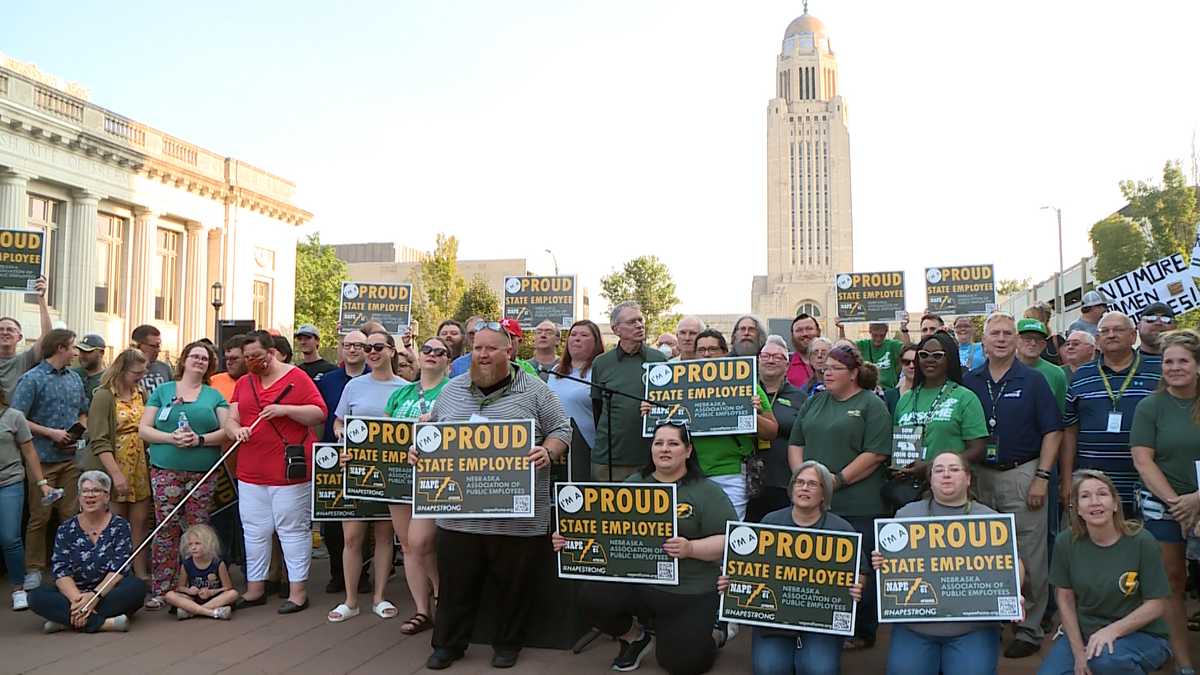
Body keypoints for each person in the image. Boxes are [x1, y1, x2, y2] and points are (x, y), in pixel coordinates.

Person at [420, 322, 571, 670]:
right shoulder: (452, 389)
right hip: (460, 514)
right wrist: (420, 450)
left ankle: (508, 644)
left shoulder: (536, 390)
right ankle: (447, 645)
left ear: (509, 351)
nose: (483, 355)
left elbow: (562, 429)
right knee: (456, 586)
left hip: (516, 515)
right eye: (477, 348)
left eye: (491, 348)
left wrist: (548, 451)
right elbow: (434, 434)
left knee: (513, 587)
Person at [563, 421, 734, 674]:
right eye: (658, 443)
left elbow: (728, 540)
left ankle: (716, 632)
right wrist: (569, 540)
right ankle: (636, 638)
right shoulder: (633, 484)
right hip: (641, 584)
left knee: (685, 665)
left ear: (688, 450)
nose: (665, 449)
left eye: (673, 443)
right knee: (593, 595)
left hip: (689, 590)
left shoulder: (707, 491)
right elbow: (603, 532)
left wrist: (691, 548)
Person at [962, 311, 1062, 658]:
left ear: (1017, 340)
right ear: (984, 342)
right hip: (980, 476)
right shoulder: (970, 381)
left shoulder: (1033, 381)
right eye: (995, 334)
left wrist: (1042, 478)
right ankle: (988, 621)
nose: (1002, 339)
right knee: (984, 554)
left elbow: (1053, 431)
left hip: (1023, 473)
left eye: (1008, 333)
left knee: (1030, 556)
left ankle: (1030, 628)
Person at [787, 344, 890, 650]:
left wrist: (836, 481)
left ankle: (861, 630)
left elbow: (876, 453)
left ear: (854, 373)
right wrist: (802, 479)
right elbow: (796, 442)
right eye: (825, 368)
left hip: (858, 503)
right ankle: (819, 622)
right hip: (814, 507)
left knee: (859, 568)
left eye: (834, 368)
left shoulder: (871, 404)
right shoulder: (814, 401)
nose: (826, 373)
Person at [875, 451, 1009, 675]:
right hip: (916, 626)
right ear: (930, 480)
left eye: (954, 469)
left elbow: (1013, 564)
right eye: (939, 470)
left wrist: (1014, 587)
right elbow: (890, 566)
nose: (946, 474)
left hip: (973, 627)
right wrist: (881, 562)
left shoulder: (990, 519)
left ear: (968, 478)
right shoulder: (905, 516)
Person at [223, 331, 327, 613]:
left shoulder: (297, 377)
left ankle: (297, 592)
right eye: (247, 357)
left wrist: (284, 409)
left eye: (256, 356)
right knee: (254, 530)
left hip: (287, 469)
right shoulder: (244, 382)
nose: (251, 362)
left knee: (292, 529)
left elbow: (319, 413)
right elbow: (232, 417)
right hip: (251, 469)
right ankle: (255, 588)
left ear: (271, 352)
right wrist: (236, 430)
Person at [730, 460, 864, 674]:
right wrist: (731, 583)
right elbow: (748, 570)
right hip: (774, 620)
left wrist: (857, 586)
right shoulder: (770, 522)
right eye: (799, 482)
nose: (804, 488)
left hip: (821, 622)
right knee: (769, 669)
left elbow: (861, 572)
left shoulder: (841, 529)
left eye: (812, 484)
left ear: (824, 494)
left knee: (819, 670)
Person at [1038, 470, 1171, 675]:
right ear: (1077, 509)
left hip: (1142, 633)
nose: (1095, 502)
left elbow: (1157, 604)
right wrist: (1078, 653)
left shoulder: (1142, 541)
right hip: (1086, 632)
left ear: (1115, 504)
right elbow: (1064, 599)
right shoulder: (1066, 542)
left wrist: (1112, 631)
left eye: (1102, 494)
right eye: (1085, 496)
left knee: (1104, 661)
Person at [1129, 329, 1200, 674]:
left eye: (1182, 361)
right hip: (1164, 504)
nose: (1174, 368)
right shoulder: (1150, 406)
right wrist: (1179, 505)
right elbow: (1143, 460)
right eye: (1168, 362)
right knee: (1172, 580)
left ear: (1197, 365)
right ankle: (1183, 661)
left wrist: (1197, 500)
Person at [138, 341, 230, 606]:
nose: (199, 361)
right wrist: (171, 438)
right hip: (165, 470)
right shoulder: (163, 391)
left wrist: (199, 439)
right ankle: (162, 588)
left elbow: (226, 431)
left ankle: (195, 586)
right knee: (165, 527)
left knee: (197, 529)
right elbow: (144, 429)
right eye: (195, 356)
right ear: (184, 360)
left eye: (205, 358)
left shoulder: (214, 395)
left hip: (203, 472)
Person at [650, 329, 776, 520]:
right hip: (686, 473)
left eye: (712, 349)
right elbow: (662, 425)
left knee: (726, 528)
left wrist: (750, 412)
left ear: (725, 353)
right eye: (701, 350)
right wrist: (651, 410)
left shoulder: (746, 382)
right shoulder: (677, 384)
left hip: (730, 473)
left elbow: (771, 431)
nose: (706, 354)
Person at [327, 329, 407, 623]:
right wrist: (341, 438)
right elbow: (338, 422)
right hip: (356, 470)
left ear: (391, 351)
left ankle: (379, 596)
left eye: (377, 347)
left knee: (385, 536)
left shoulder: (405, 388)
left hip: (389, 471)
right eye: (367, 348)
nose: (371, 352)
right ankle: (350, 601)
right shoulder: (354, 386)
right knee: (352, 537)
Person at [381, 336, 451, 634]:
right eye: (427, 349)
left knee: (422, 541)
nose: (432, 354)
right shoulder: (401, 392)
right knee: (409, 545)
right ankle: (423, 610)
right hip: (399, 476)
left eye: (440, 352)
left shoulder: (454, 390)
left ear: (448, 360)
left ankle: (442, 597)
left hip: (435, 478)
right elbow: (382, 435)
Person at [1061, 311, 1160, 513]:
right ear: (1097, 340)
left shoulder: (1158, 372)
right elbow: (1069, 431)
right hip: (1091, 485)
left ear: (1133, 335)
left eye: (1118, 330)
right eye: (1105, 331)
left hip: (1147, 482)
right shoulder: (1081, 376)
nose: (1111, 335)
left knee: (1144, 533)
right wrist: (1067, 480)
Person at [13, 329, 89, 591]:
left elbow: (83, 411)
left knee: (70, 515)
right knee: (40, 516)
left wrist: (79, 429)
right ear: (60, 348)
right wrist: (50, 433)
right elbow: (16, 418)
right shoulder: (31, 379)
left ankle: (69, 566)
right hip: (41, 460)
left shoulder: (75, 378)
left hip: (70, 459)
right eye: (73, 347)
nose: (76, 352)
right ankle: (34, 568)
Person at [28, 470, 146, 633]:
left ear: (107, 496)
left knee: (136, 588)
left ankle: (66, 620)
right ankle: (103, 623)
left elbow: (119, 568)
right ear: (79, 497)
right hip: (74, 594)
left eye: (96, 490)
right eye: (85, 491)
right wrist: (78, 600)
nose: (90, 495)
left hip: (106, 592)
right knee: (35, 597)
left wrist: (94, 597)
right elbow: (61, 571)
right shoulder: (65, 528)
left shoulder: (120, 525)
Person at [87, 349, 151, 592]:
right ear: (122, 370)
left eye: (144, 371)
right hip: (114, 464)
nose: (141, 376)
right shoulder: (104, 395)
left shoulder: (141, 393)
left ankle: (141, 574)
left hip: (139, 466)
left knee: (140, 523)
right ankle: (111, 577)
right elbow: (99, 439)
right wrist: (115, 475)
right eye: (136, 372)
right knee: (114, 524)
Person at [314, 330, 370, 595]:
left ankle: (363, 575)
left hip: (367, 458)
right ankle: (338, 573)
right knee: (334, 522)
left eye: (359, 345)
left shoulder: (374, 376)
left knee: (366, 521)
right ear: (341, 348)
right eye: (348, 345)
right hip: (333, 456)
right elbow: (320, 417)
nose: (353, 350)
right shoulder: (328, 380)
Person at [590, 302, 667, 482]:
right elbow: (597, 408)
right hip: (610, 459)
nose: (639, 325)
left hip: (651, 458)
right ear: (616, 329)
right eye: (632, 322)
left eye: (640, 320)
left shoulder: (659, 359)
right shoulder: (601, 363)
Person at [893, 332, 989, 476]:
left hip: (949, 481)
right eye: (924, 355)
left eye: (937, 356)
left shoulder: (965, 397)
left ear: (949, 359)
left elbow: (978, 450)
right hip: (908, 483)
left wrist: (932, 466)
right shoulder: (905, 399)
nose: (929, 360)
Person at [0, 385, 52, 611]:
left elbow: (30, 452)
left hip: (9, 481)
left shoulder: (14, 416)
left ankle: (18, 588)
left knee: (10, 537)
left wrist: (42, 483)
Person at [747, 336, 806, 521]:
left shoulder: (800, 397)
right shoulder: (744, 391)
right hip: (749, 480)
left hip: (784, 479)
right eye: (766, 356)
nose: (770, 360)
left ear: (787, 365)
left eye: (777, 357)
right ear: (758, 361)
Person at [548, 320, 604, 458]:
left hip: (590, 448)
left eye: (584, 335)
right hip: (557, 447)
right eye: (573, 335)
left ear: (596, 342)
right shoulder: (555, 371)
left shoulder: (601, 371)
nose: (577, 339)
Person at [163, 524, 238, 620]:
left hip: (213, 598)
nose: (193, 547)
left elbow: (227, 588)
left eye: (197, 543)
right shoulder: (186, 564)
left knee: (233, 594)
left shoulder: (218, 563)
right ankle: (211, 612)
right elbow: (180, 587)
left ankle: (191, 611)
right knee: (169, 595)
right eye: (190, 544)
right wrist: (189, 590)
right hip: (193, 598)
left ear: (208, 544)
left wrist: (212, 592)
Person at [0, 275, 51, 398]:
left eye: (10, 330)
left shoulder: (25, 359)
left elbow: (47, 336)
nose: (5, 332)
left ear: (20, 337)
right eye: (0, 329)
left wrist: (41, 299)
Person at [839, 318, 910, 390]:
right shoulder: (863, 345)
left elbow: (909, 350)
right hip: (866, 389)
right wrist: (841, 329)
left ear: (886, 332)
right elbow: (843, 349)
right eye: (875, 335)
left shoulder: (892, 345)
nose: (878, 339)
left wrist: (904, 329)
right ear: (870, 331)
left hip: (888, 389)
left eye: (882, 335)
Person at [1016, 318, 1068, 413]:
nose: (1033, 343)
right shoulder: (1003, 369)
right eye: (1027, 338)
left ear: (1044, 344)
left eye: (1038, 339)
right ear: (1016, 340)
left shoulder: (1056, 373)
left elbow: (1060, 412)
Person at [131, 325, 172, 395]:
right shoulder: (124, 370)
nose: (158, 350)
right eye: (154, 346)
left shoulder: (165, 369)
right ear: (138, 346)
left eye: (159, 346)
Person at [883, 344, 919, 415]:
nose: (911, 366)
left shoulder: (930, 393)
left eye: (915, 362)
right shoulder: (889, 396)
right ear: (901, 364)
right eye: (906, 362)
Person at [786, 313, 821, 388]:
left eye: (809, 329)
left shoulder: (832, 362)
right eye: (799, 330)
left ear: (818, 331)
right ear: (792, 335)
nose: (804, 334)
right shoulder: (785, 365)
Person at [210, 335, 248, 402]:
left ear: (247, 358)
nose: (229, 363)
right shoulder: (212, 381)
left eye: (234, 359)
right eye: (227, 358)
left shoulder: (259, 381)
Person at [72, 334, 106, 407]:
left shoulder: (108, 379)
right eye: (81, 351)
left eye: (88, 352)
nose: (82, 355)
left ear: (101, 353)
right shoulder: (72, 375)